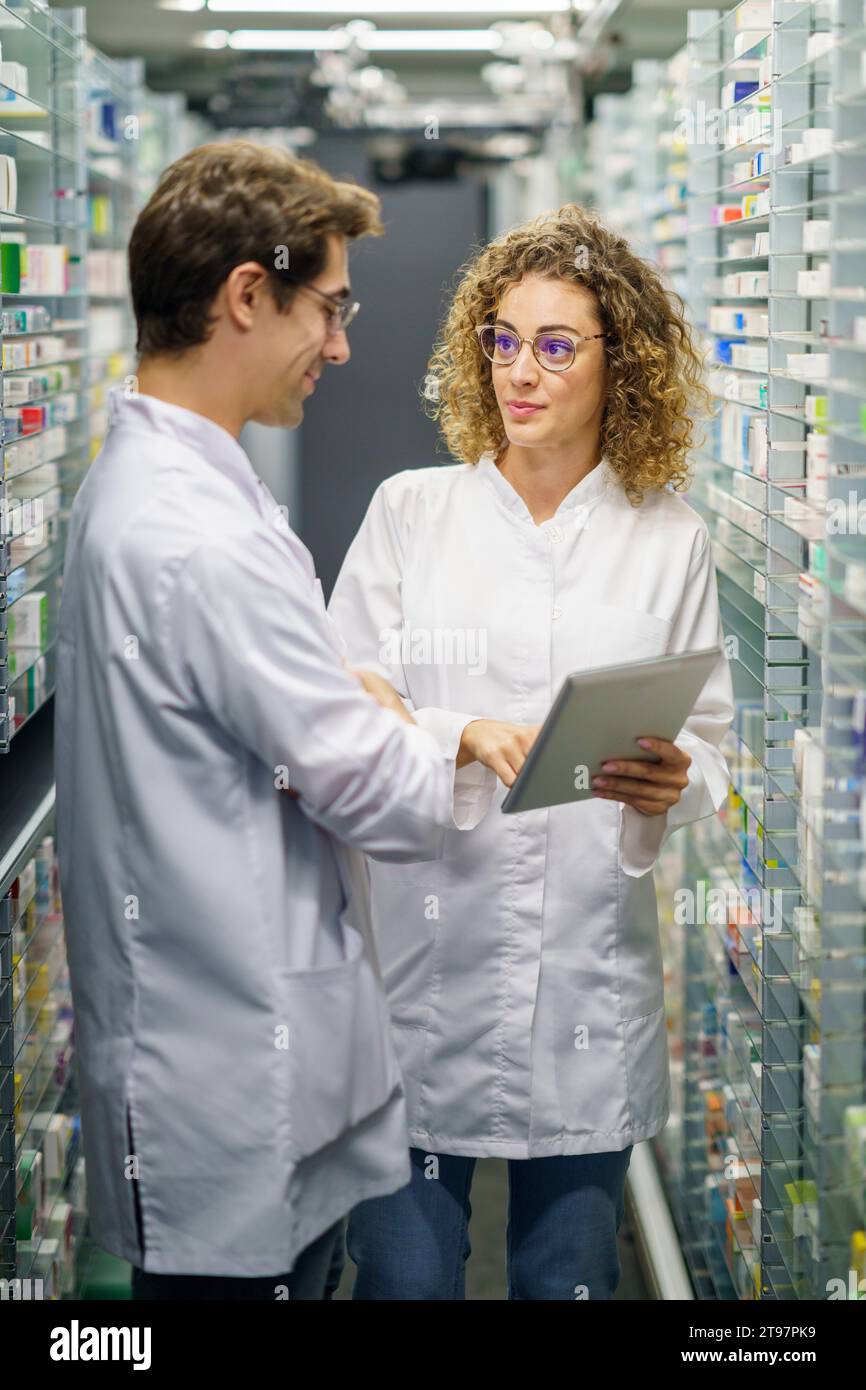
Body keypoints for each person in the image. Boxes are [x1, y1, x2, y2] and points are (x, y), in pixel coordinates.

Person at [54, 140, 496, 1301]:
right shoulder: (195, 534)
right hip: (221, 1092)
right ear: (247, 294)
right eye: (329, 309)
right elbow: (381, 793)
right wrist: (403, 717)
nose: (341, 347)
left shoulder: (162, 487)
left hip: (228, 1067)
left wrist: (345, 709)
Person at [327, 202, 736, 1300]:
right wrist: (457, 733)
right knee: (404, 1281)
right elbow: (334, 712)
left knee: (569, 1280)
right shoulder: (411, 513)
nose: (521, 370)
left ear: (621, 363)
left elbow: (708, 737)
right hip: (423, 971)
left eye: (555, 346)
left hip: (583, 987)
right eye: (501, 340)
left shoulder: (668, 537)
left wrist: (677, 779)